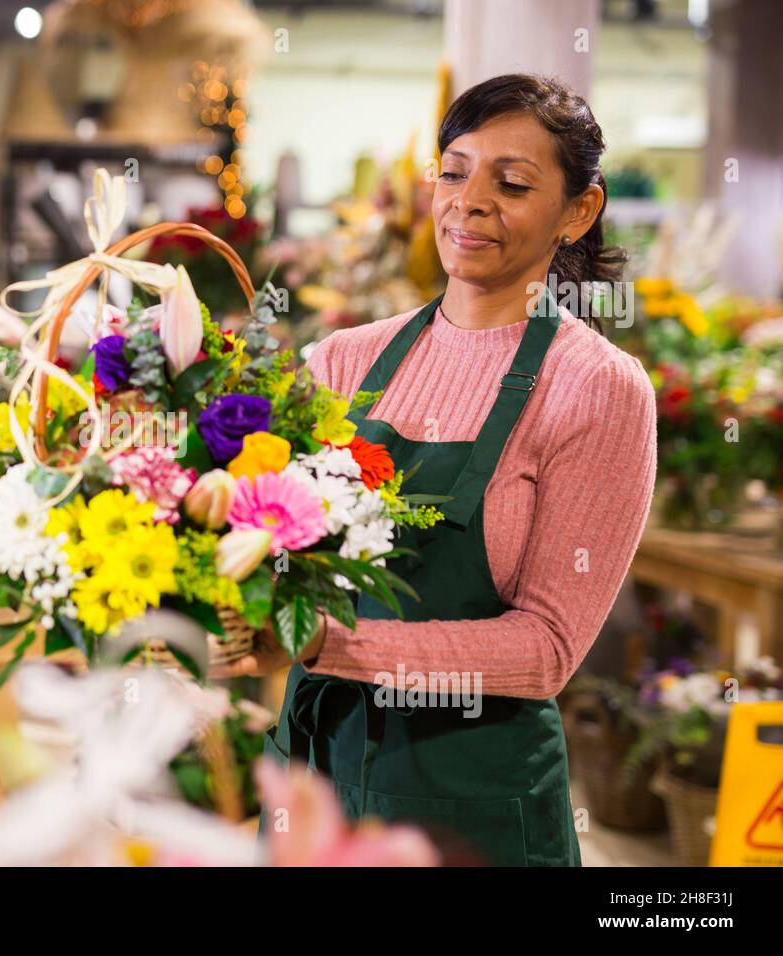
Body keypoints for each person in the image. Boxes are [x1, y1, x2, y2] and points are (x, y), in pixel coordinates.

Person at [223, 74, 658, 866]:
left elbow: (547, 650)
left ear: (579, 210)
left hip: (472, 802)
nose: (470, 200)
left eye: (513, 182)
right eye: (453, 171)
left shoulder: (597, 387)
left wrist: (327, 642)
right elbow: (269, 539)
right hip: (314, 774)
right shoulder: (343, 358)